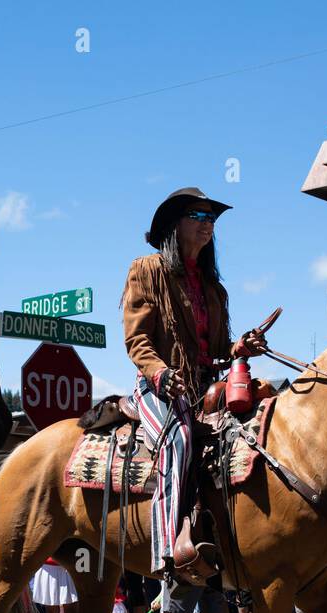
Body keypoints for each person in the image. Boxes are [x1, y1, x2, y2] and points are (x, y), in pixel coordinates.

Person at [123, 187, 267, 582]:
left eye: (212, 220)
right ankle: (167, 549)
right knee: (180, 440)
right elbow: (137, 340)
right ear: (175, 225)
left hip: (206, 389)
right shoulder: (147, 270)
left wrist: (240, 347)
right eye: (198, 217)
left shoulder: (212, 287)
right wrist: (160, 372)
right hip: (160, 386)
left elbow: (218, 350)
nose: (208, 226)